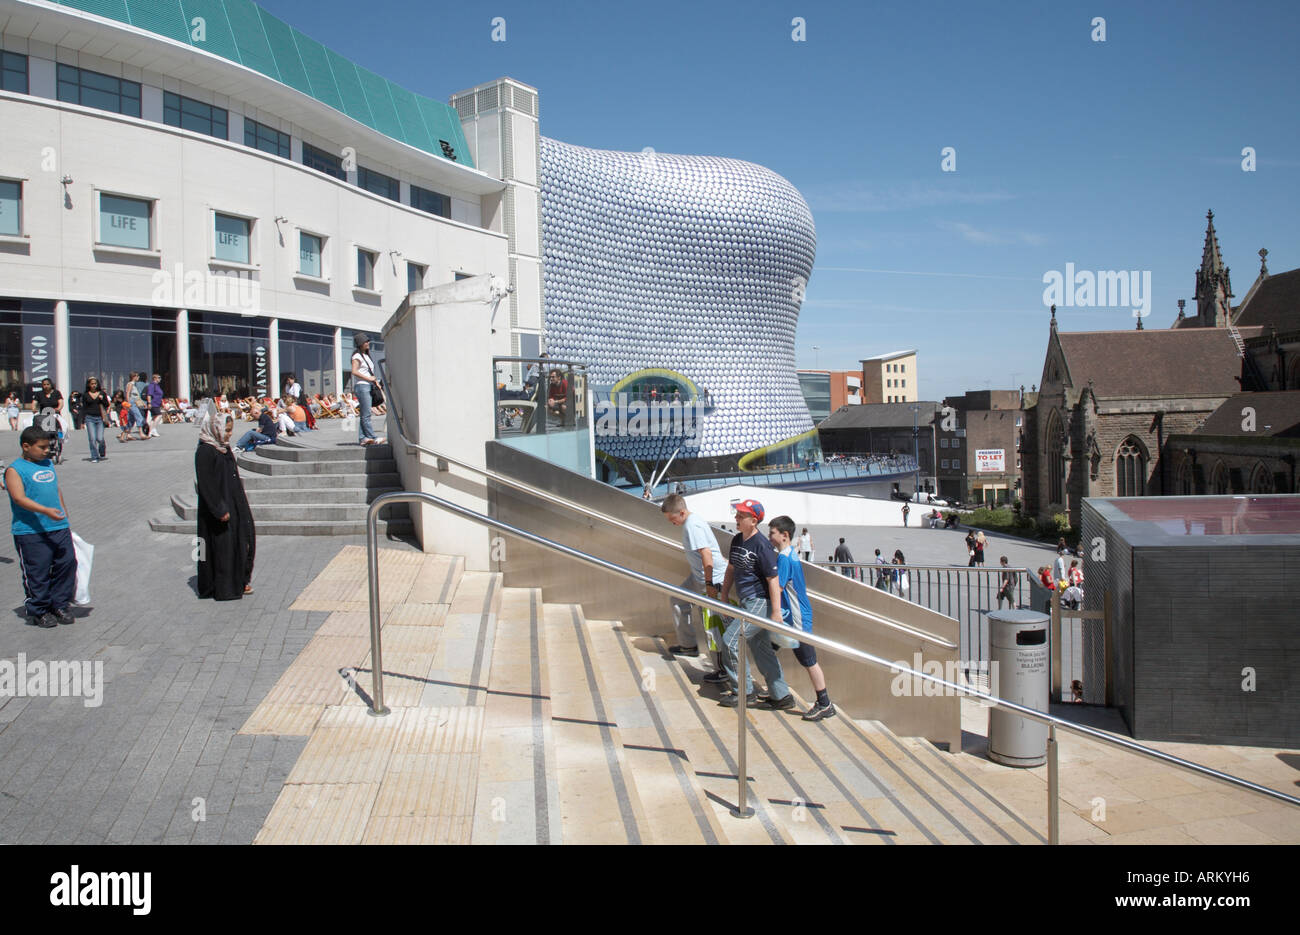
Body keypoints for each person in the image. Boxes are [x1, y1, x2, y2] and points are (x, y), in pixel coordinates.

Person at [716, 499, 788, 709]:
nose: (736, 518)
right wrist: (724, 595)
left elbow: (773, 580)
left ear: (753, 521)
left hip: (759, 602)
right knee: (760, 647)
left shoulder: (762, 546)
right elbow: (731, 568)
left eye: (741, 516)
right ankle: (781, 695)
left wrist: (776, 612)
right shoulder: (738, 540)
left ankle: (744, 693)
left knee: (731, 642)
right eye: (737, 514)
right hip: (745, 601)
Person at [6, 427, 76, 627]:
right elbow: (19, 498)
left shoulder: (47, 464)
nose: (47, 451)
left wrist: (63, 510)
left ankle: (60, 604)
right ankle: (39, 609)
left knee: (67, 563)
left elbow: (55, 488)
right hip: (31, 532)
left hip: (58, 526)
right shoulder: (15, 469)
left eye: (48, 447)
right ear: (26, 447)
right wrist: (45, 510)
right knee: (38, 571)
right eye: (42, 447)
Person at [768, 515, 835, 720]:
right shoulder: (789, 555)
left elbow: (777, 587)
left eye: (772, 533)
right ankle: (777, 691)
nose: (769, 537)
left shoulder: (785, 558)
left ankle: (825, 703)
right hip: (792, 618)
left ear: (785, 535)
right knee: (767, 650)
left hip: (796, 621)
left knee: (808, 660)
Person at [661, 493, 727, 683]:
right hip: (698, 577)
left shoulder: (692, 526)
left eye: (673, 519)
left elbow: (706, 554)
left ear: (681, 512)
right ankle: (688, 645)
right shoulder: (692, 521)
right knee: (677, 599)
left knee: (713, 626)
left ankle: (722, 670)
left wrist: (709, 585)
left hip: (709, 579)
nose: (672, 523)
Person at [194, 401, 255, 601]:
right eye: (227, 430)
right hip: (216, 511)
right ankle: (223, 588)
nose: (229, 434)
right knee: (221, 549)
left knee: (240, 542)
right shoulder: (205, 451)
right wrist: (219, 509)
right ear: (216, 428)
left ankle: (239, 581)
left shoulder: (224, 448)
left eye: (230, 431)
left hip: (233, 503)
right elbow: (206, 484)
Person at [351, 333, 385, 446]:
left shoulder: (366, 356)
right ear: (360, 343)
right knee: (366, 414)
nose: (368, 343)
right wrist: (369, 378)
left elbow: (368, 371)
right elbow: (354, 371)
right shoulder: (357, 356)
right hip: (362, 386)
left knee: (364, 414)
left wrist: (375, 382)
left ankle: (363, 438)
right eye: (366, 341)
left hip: (368, 385)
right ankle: (372, 436)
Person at [81, 377, 111, 463]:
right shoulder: (86, 394)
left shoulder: (102, 393)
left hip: (100, 418)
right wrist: (82, 421)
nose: (94, 385)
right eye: (92, 384)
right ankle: (94, 456)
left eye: (95, 383)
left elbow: (107, 404)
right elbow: (84, 408)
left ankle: (102, 448)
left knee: (100, 438)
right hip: (89, 418)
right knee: (92, 438)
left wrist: (102, 399)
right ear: (89, 385)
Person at [145, 373, 165, 437]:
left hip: (157, 403)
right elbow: (149, 395)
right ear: (155, 378)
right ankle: (153, 429)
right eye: (159, 378)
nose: (160, 379)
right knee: (159, 415)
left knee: (154, 417)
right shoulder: (152, 385)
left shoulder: (157, 385)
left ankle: (150, 432)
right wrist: (149, 403)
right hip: (153, 403)